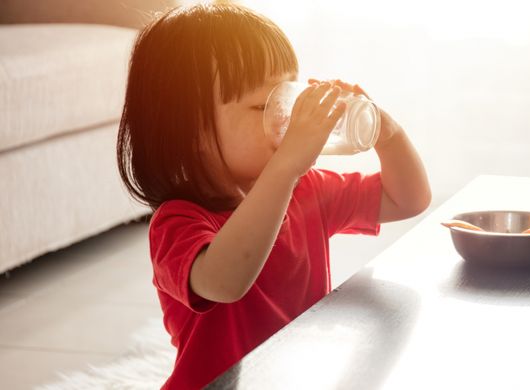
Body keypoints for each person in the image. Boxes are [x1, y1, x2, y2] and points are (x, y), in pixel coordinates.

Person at [116, 3, 431, 389]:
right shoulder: (178, 223)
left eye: (288, 96)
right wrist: (286, 167)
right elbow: (226, 282)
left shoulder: (308, 189)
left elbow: (408, 199)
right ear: (191, 130)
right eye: (265, 105)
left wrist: (389, 132)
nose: (286, 116)